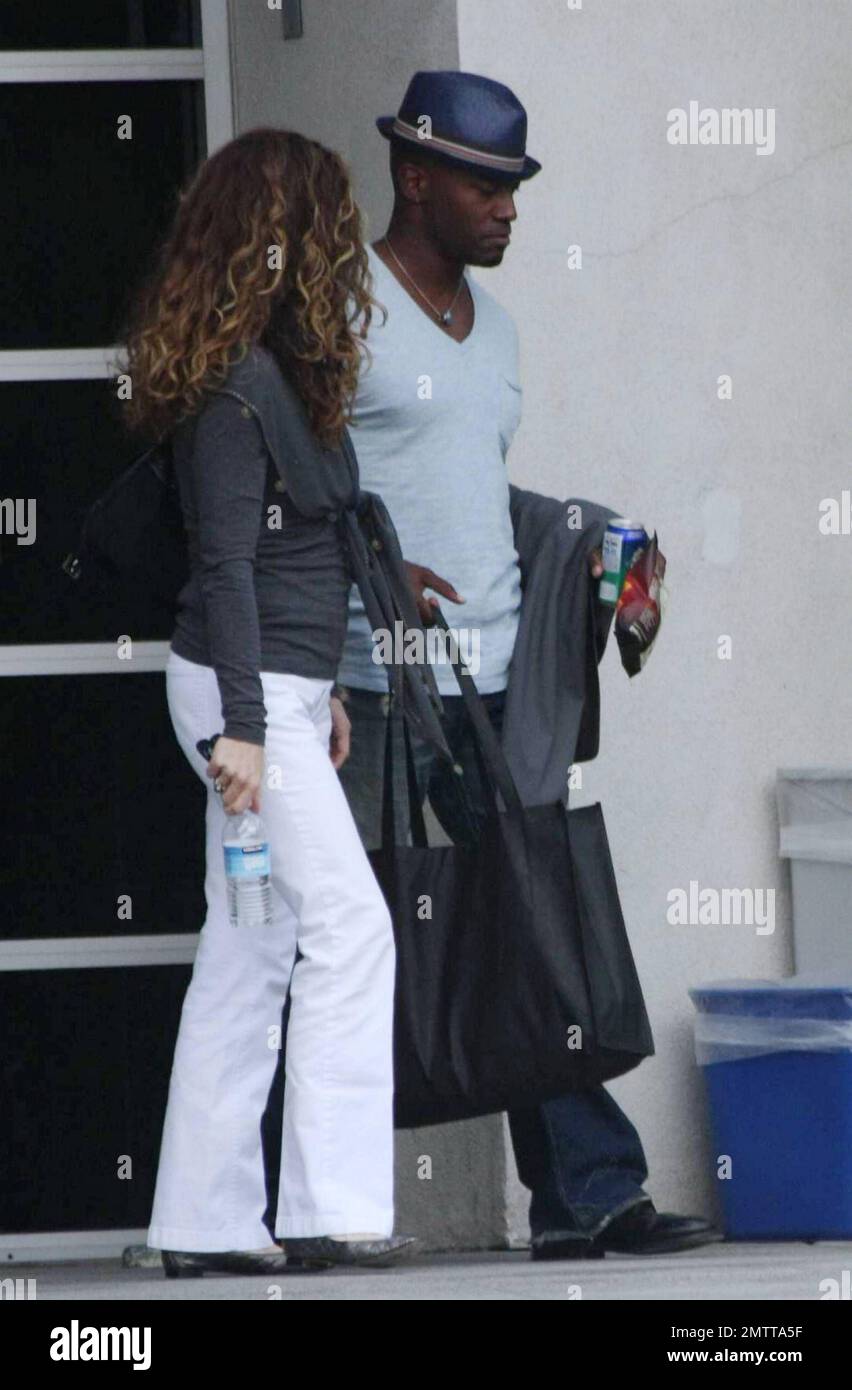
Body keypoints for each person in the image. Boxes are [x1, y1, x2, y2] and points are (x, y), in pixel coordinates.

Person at [335, 71, 719, 1259]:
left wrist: (598, 548)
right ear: (415, 177)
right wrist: (368, 565)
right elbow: (283, 472)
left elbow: (471, 493)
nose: (508, 210)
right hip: (373, 684)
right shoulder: (336, 304)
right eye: (487, 185)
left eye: (515, 189)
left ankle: (584, 1198)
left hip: (499, 677)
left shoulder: (495, 327)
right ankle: (303, 1203)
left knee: (531, 924)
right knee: (362, 937)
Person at [123, 128, 415, 1276]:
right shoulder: (236, 384)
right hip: (238, 692)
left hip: (273, 691)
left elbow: (308, 558)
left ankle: (202, 1220)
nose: (345, 250)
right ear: (287, 237)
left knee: (251, 942)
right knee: (352, 925)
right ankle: (331, 1208)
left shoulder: (275, 371)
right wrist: (247, 725)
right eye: (330, 227)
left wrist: (319, 685)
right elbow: (230, 568)